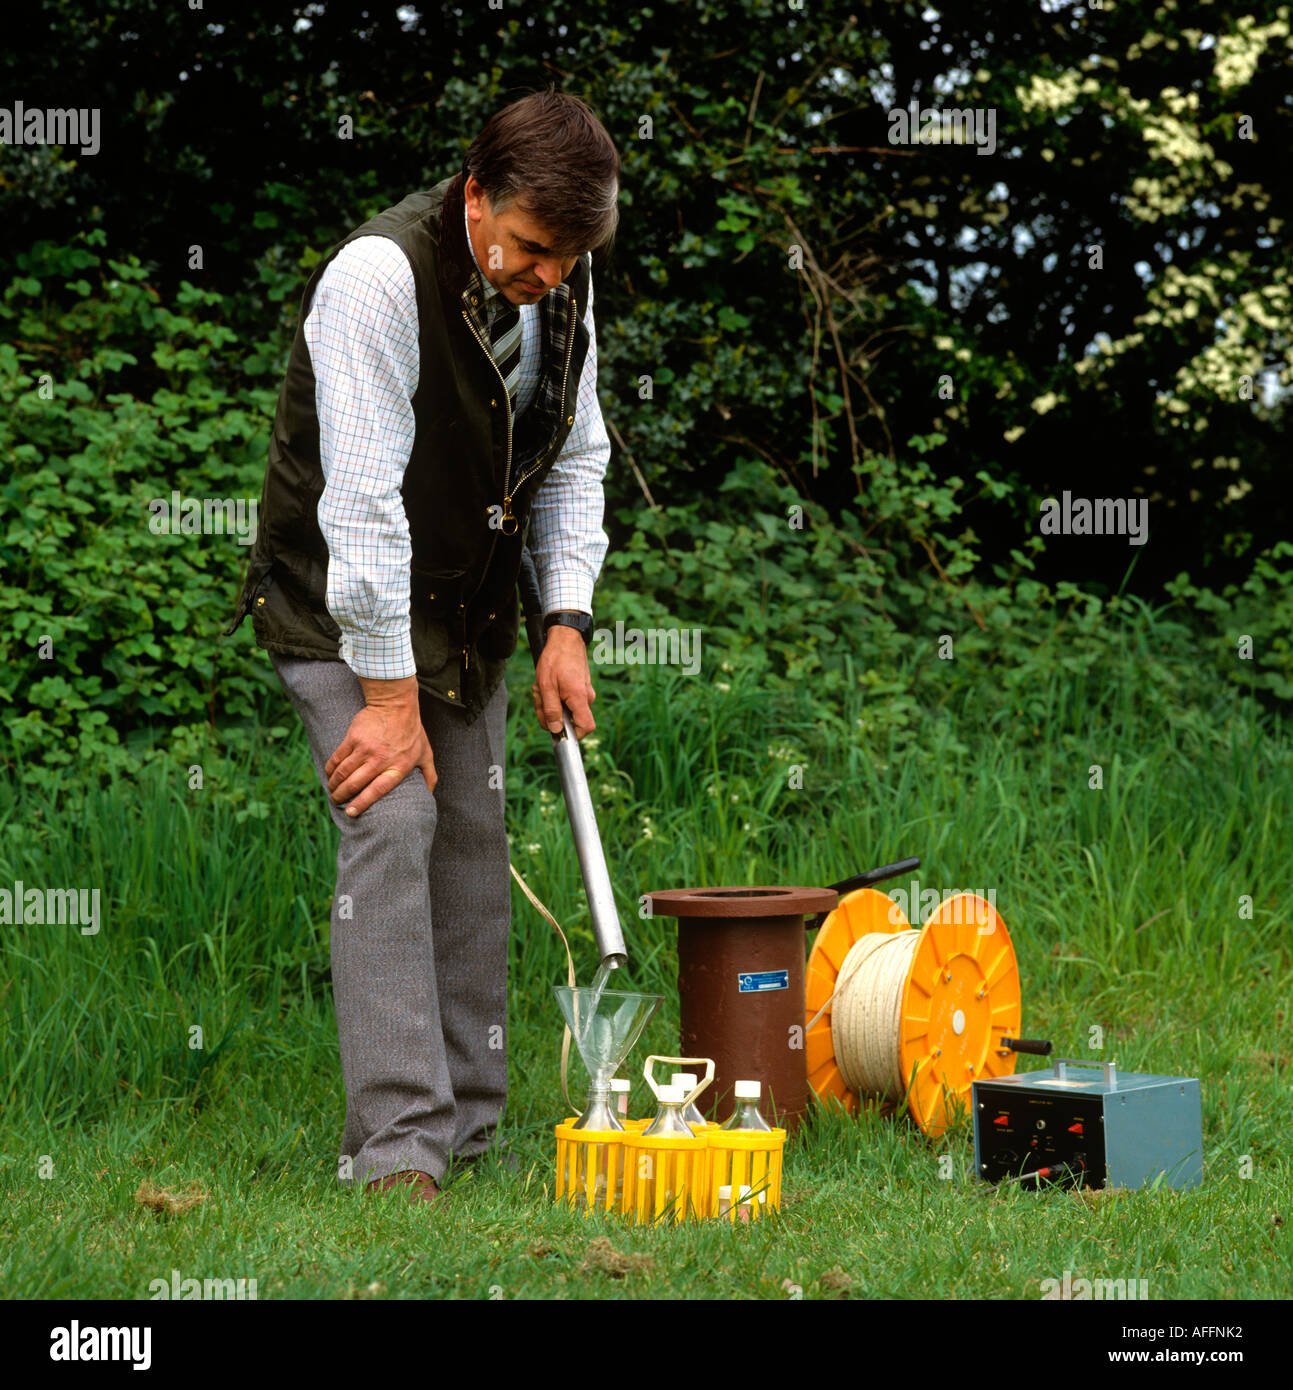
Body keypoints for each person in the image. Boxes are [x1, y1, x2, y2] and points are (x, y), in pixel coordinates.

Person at [223, 89, 619, 1206]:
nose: (551, 276)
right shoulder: (377, 280)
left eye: (571, 256)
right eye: (534, 249)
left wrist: (565, 622)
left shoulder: (562, 272)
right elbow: (359, 515)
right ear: (476, 194)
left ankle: (472, 1130)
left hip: (468, 610)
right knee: (396, 810)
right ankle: (398, 1150)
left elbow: (574, 459)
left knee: (471, 831)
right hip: (335, 601)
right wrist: (389, 701)